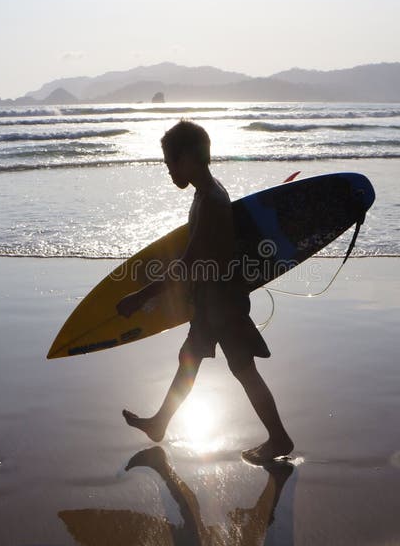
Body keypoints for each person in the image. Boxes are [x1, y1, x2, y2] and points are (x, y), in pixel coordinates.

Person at [116, 120, 293, 464]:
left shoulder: (211, 199)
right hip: (212, 303)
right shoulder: (205, 192)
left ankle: (280, 438)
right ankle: (160, 422)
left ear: (190, 158)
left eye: (171, 162)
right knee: (190, 360)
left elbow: (187, 262)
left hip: (223, 306)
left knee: (243, 370)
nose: (168, 170)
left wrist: (140, 298)